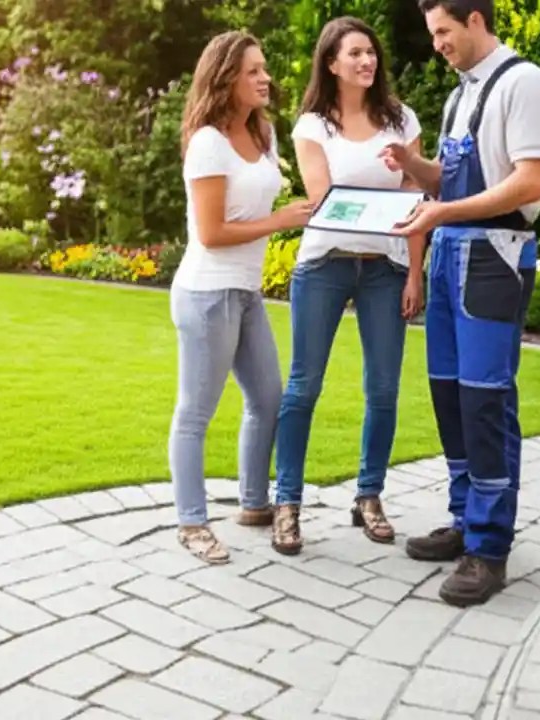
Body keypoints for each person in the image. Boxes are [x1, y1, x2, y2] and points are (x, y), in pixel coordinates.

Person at [383, 0, 540, 606]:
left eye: (443, 31)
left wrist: (443, 212)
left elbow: (529, 183)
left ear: (476, 20)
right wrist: (413, 166)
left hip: (494, 258)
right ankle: (465, 518)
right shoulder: (461, 95)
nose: (436, 44)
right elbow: (450, 178)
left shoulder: (525, 84)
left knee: (486, 400)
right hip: (451, 257)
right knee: (450, 396)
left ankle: (489, 548)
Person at [269, 17, 427, 556]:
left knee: (383, 390)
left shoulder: (402, 121)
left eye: (371, 52)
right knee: (303, 386)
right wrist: (383, 199)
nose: (367, 61)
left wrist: (413, 271)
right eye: (354, 53)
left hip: (385, 269)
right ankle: (286, 502)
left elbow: (417, 204)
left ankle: (369, 496)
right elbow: (323, 201)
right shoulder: (313, 126)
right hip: (326, 263)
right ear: (331, 63)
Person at [168, 30, 314, 565]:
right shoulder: (207, 142)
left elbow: (258, 202)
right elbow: (211, 232)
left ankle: (254, 503)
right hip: (207, 293)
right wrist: (280, 220)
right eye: (253, 70)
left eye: (264, 68)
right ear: (226, 76)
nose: (265, 78)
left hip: (247, 292)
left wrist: (295, 208)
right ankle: (192, 523)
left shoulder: (264, 133)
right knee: (195, 413)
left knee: (268, 397)